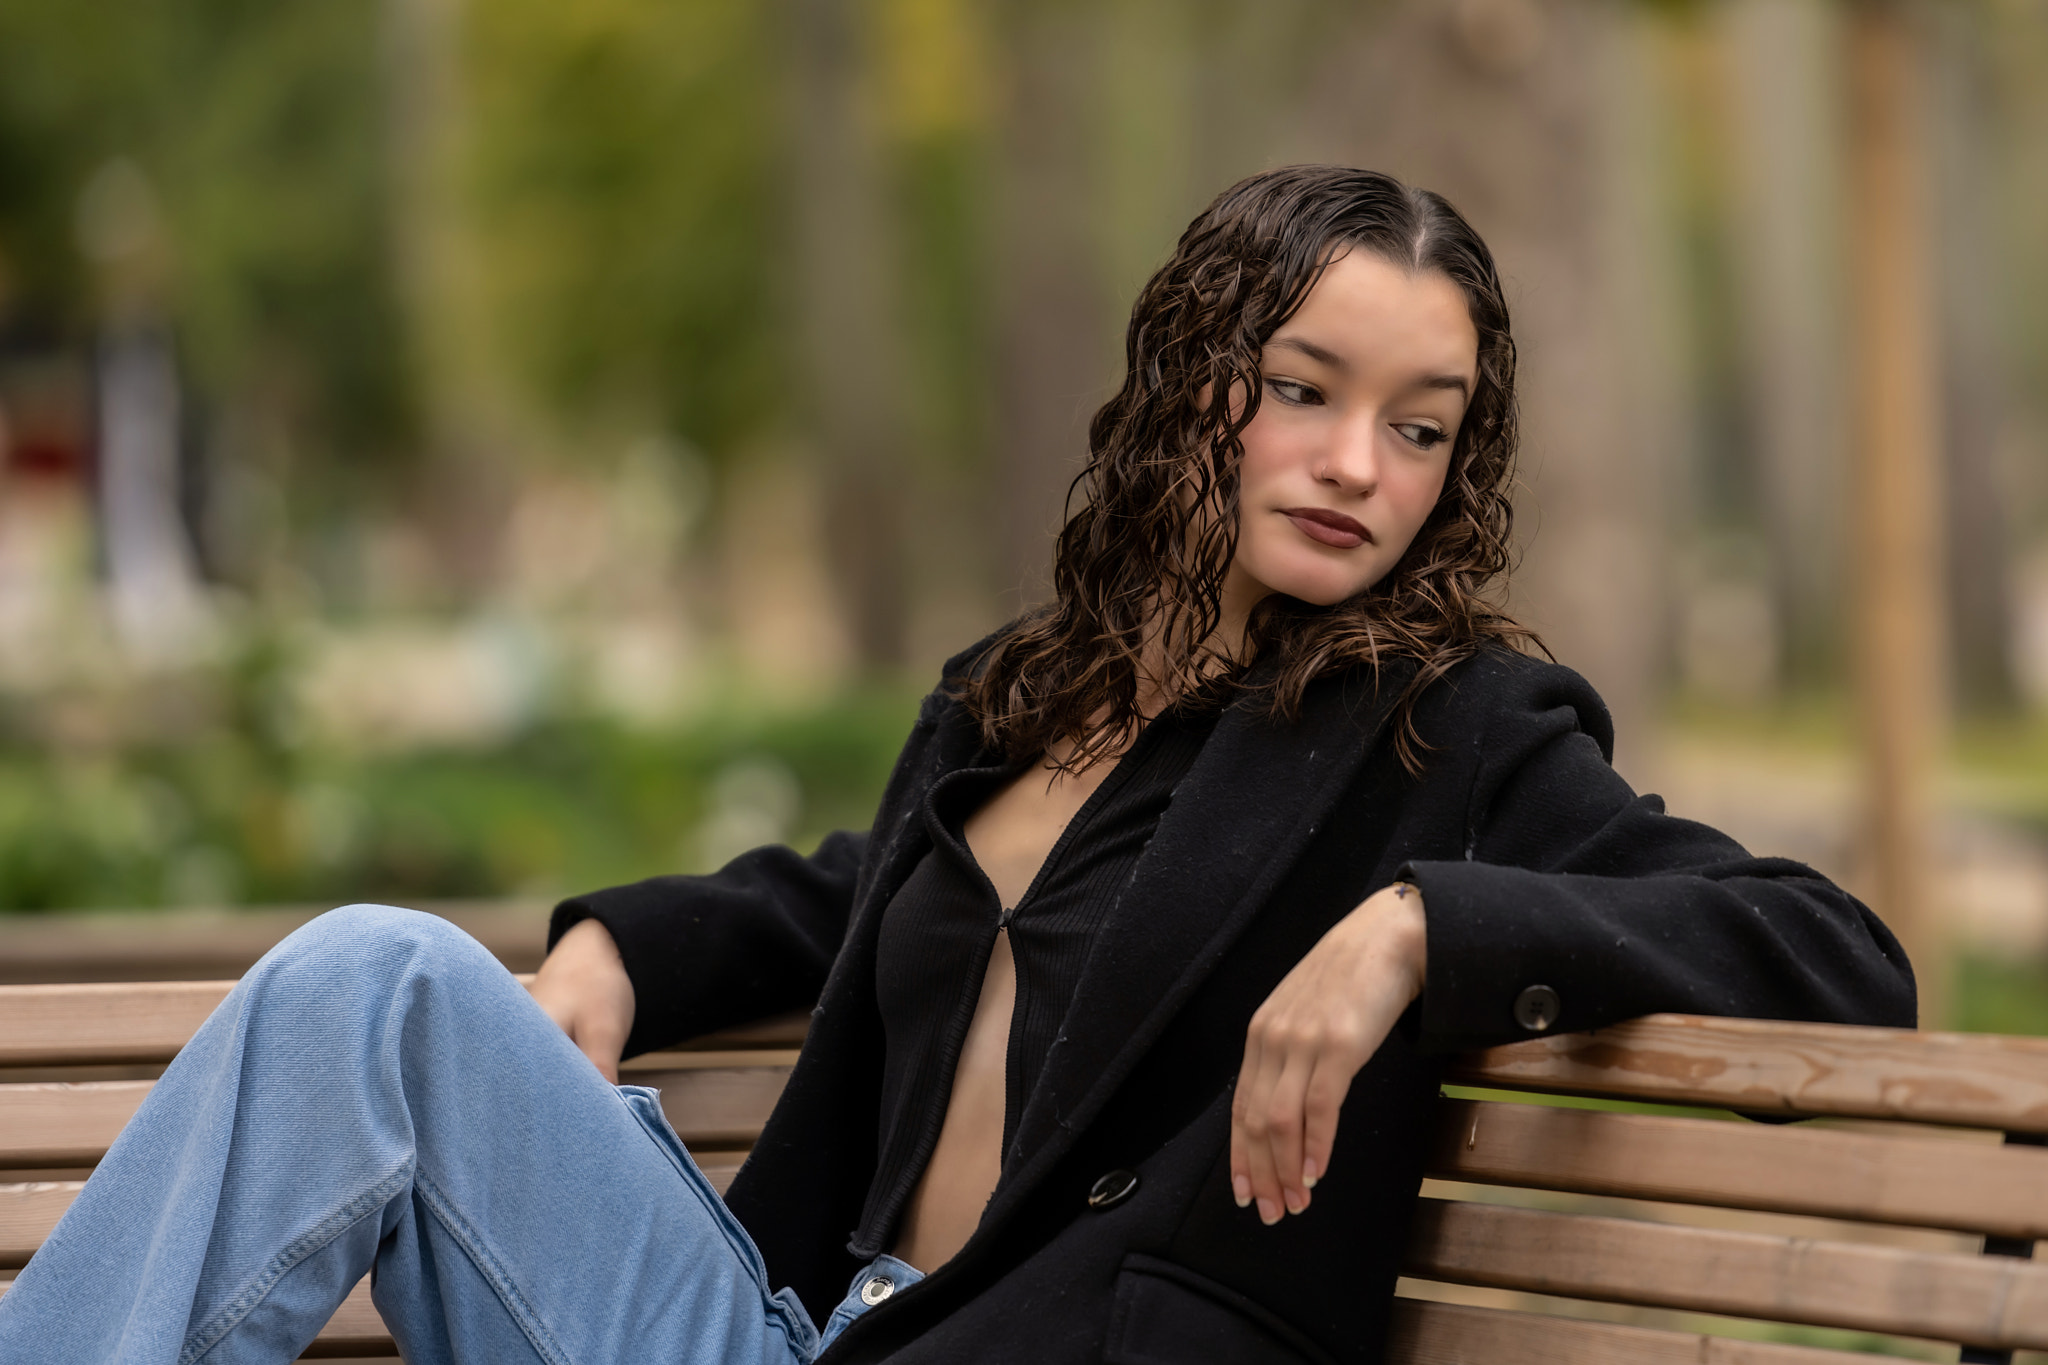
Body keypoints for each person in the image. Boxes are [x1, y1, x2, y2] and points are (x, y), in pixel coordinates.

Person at [0, 165, 1915, 1365]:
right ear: (1199, 383)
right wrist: (623, 948)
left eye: (1421, 428)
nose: (1358, 465)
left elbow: (1834, 947)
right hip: (788, 1333)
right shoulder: (1023, 695)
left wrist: (1419, 924)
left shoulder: (1451, 731)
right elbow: (871, 894)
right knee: (373, 983)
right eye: (1306, 391)